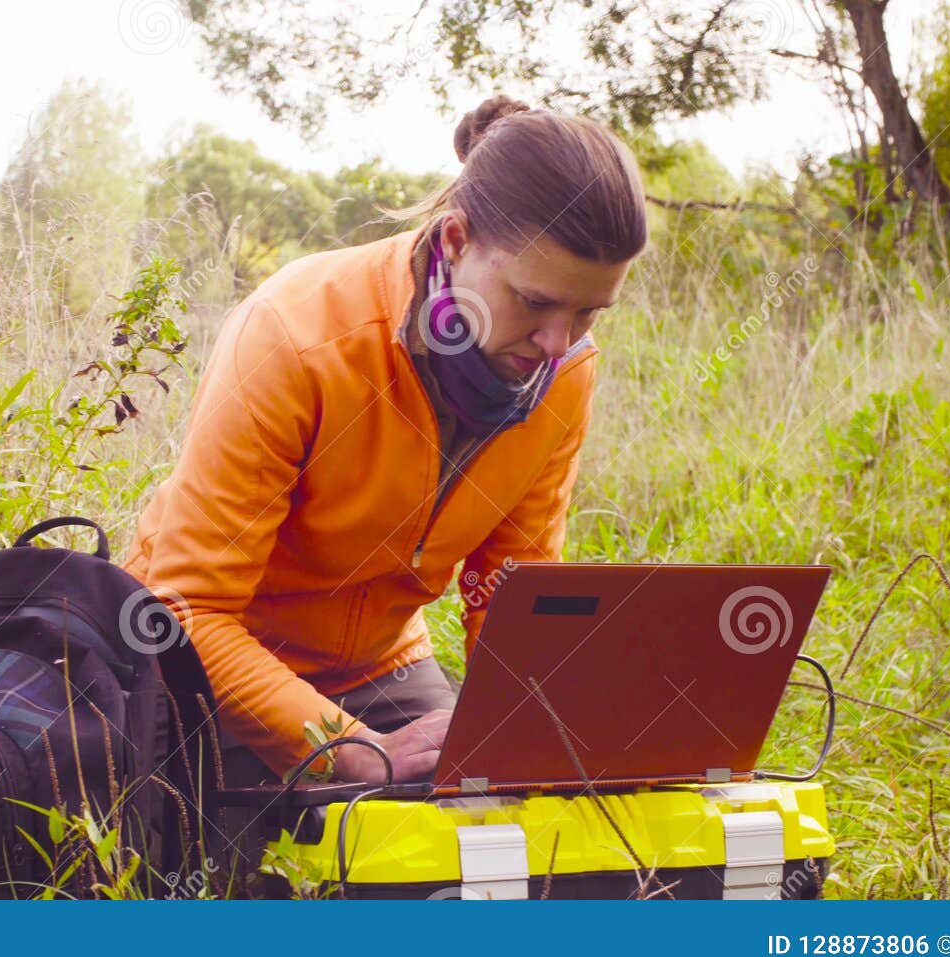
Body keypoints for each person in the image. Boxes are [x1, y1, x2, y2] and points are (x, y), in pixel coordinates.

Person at [122, 95, 648, 810]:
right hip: (202, 669)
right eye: (534, 302)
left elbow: (512, 592)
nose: (559, 344)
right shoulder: (297, 334)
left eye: (588, 312)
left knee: (508, 828)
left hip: (379, 668)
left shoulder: (566, 372)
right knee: (253, 868)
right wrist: (346, 749)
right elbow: (190, 610)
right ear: (457, 241)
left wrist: (532, 728)